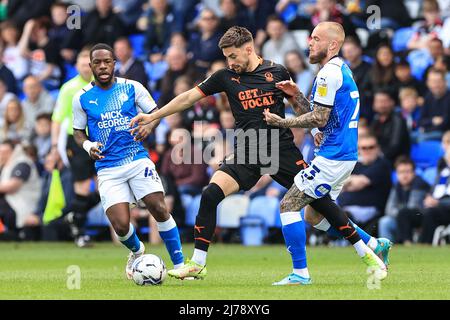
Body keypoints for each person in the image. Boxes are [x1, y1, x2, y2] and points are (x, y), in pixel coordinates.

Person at [130, 26, 389, 283]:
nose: (230, 63)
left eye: (233, 56)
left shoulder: (277, 72)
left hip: (281, 150)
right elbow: (188, 98)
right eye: (226, 58)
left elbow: (305, 113)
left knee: (320, 206)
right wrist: (154, 116)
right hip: (248, 149)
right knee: (210, 194)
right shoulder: (224, 76)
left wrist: (303, 113)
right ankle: (197, 264)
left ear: (249, 49)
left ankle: (370, 244)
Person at [264, 22, 389, 284]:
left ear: (332, 45)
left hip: (334, 156)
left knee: (288, 205)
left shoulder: (327, 74)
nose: (310, 43)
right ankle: (373, 244)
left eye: (316, 39)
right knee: (314, 214)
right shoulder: (338, 69)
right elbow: (322, 117)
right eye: (310, 37)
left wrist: (282, 121)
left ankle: (300, 273)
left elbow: (319, 118)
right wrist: (296, 96)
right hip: (339, 154)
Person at [72, 43, 185, 280]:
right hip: (107, 167)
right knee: (121, 226)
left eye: (107, 61)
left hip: (136, 159)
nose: (102, 66)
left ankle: (181, 264)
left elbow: (156, 113)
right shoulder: (81, 98)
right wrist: (87, 145)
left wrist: (149, 126)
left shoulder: (132, 88)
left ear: (115, 63)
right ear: (91, 66)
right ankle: (137, 250)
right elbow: (78, 131)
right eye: (97, 62)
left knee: (159, 208)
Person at [50, 47, 99, 248]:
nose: (85, 68)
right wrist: (54, 147)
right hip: (76, 140)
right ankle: (80, 233)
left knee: (104, 186)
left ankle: (72, 216)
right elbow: (57, 119)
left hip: (99, 138)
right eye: (81, 63)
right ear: (76, 66)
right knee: (82, 187)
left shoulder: (103, 86)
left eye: (88, 64)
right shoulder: (69, 88)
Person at [379, 156, 430, 242]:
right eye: (401, 172)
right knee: (385, 221)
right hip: (401, 218)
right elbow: (389, 209)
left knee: (404, 215)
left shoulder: (419, 184)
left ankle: (405, 244)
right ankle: (386, 249)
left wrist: (399, 211)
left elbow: (412, 208)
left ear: (414, 172)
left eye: (407, 172)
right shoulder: (397, 186)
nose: (404, 175)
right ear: (396, 174)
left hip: (420, 220)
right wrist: (399, 213)